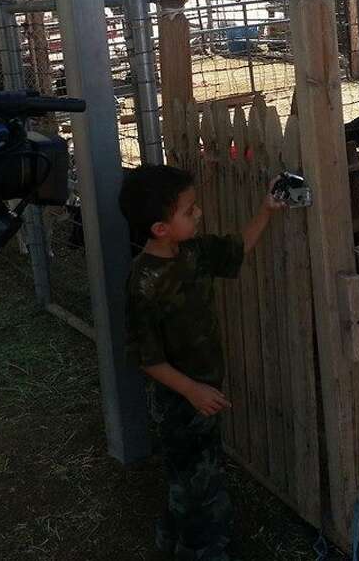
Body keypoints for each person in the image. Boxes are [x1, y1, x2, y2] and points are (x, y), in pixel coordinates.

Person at [119, 164, 283, 561]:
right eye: (189, 210)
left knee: (193, 474)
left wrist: (266, 209)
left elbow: (236, 249)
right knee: (198, 481)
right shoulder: (144, 282)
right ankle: (202, 549)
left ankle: (172, 535)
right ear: (161, 228)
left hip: (203, 392)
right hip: (179, 401)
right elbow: (147, 358)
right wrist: (192, 391)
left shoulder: (192, 251)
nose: (199, 213)